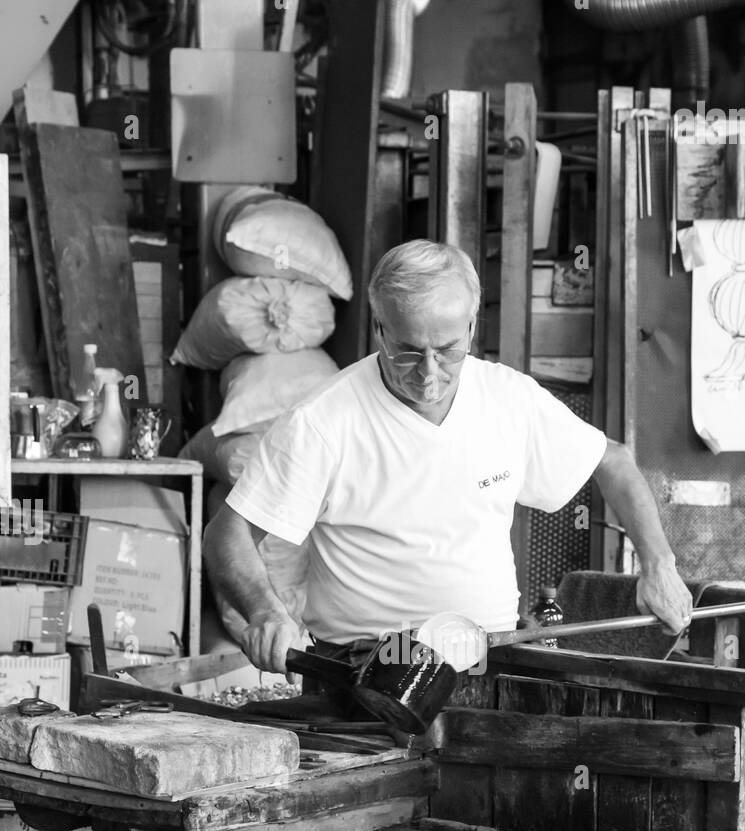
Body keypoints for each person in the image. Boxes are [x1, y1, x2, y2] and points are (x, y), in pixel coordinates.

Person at [203, 238, 692, 677]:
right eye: (408, 352)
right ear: (379, 328)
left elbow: (614, 461)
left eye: (448, 350)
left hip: (492, 658)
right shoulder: (323, 421)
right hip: (365, 670)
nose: (429, 372)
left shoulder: (509, 398)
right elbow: (228, 532)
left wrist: (658, 564)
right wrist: (267, 611)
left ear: (472, 328)